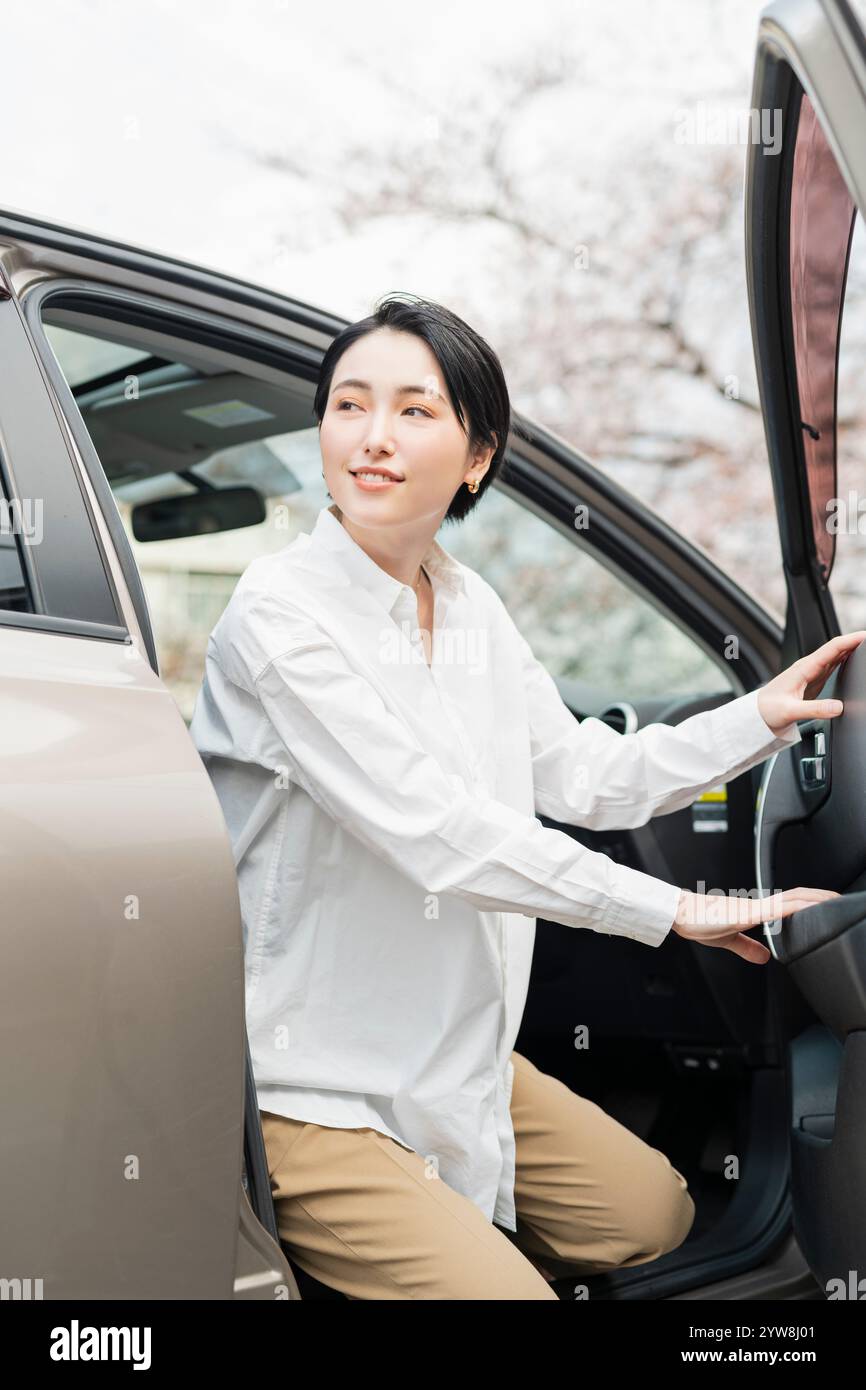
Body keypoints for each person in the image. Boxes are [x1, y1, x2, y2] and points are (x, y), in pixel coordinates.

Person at [189, 291, 858, 1300]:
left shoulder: (466, 603)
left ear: (475, 456)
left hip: (453, 1056)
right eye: (347, 405)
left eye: (414, 411)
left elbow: (579, 774)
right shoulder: (276, 613)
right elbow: (439, 832)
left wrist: (752, 720)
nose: (371, 437)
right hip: (313, 1087)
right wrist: (679, 908)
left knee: (656, 1215)